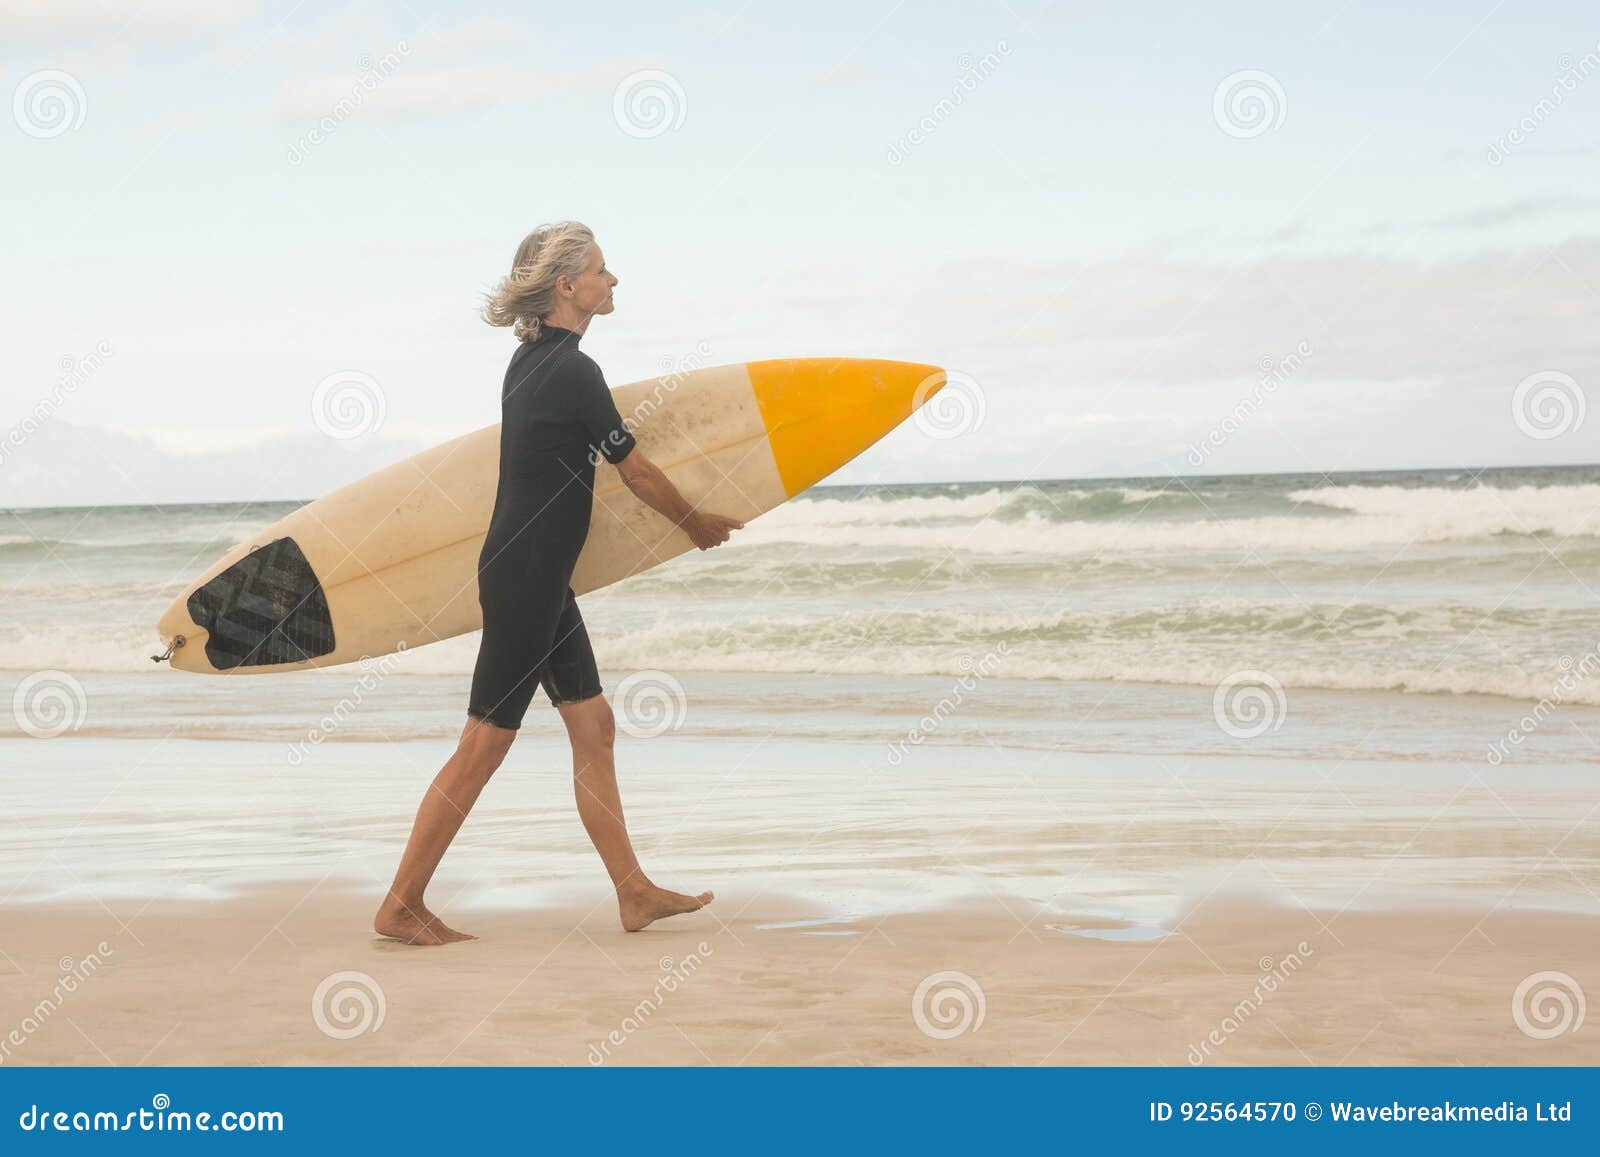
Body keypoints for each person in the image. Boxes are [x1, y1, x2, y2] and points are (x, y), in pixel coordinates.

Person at [374, 221, 744, 945]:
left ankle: (633, 892)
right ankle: (400, 904)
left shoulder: (529, 363)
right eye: (602, 270)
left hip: (537, 577)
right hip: (527, 579)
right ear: (567, 285)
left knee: (593, 726)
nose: (613, 280)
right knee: (483, 744)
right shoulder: (573, 372)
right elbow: (635, 471)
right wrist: (694, 523)